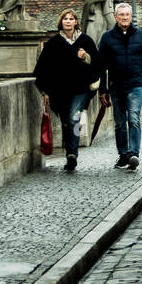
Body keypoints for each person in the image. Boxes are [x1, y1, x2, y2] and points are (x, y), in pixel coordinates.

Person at [34, 9, 100, 172]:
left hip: (81, 88)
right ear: (61, 22)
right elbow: (42, 69)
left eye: (71, 19)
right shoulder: (54, 43)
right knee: (66, 122)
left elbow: (99, 63)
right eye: (65, 19)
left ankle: (72, 154)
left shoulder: (85, 40)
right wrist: (46, 91)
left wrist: (86, 57)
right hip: (60, 90)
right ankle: (71, 153)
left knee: (73, 117)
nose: (68, 21)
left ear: (76, 21)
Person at [94, 3, 142, 171]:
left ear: (131, 16)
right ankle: (123, 155)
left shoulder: (141, 35)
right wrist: (103, 90)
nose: (124, 17)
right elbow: (101, 66)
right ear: (116, 17)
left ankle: (134, 153)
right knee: (120, 123)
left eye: (127, 14)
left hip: (135, 84)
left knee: (133, 119)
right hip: (116, 86)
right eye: (121, 14)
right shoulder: (107, 37)